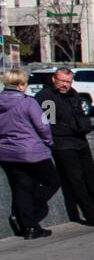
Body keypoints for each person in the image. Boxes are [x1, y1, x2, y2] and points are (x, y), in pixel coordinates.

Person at [35, 67, 94, 228]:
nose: (65, 85)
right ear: (53, 79)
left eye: (69, 82)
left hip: (80, 141)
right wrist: (71, 128)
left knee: (92, 178)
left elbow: (81, 115)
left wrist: (83, 126)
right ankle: (91, 214)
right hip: (63, 145)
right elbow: (48, 125)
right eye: (62, 81)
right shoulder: (46, 97)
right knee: (76, 181)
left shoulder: (73, 94)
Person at [0, 67, 61, 240]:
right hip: (31, 152)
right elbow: (43, 126)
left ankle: (30, 227)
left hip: (6, 153)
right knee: (52, 181)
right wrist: (49, 142)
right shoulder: (28, 102)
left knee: (21, 188)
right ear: (20, 85)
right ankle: (31, 211)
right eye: (25, 83)